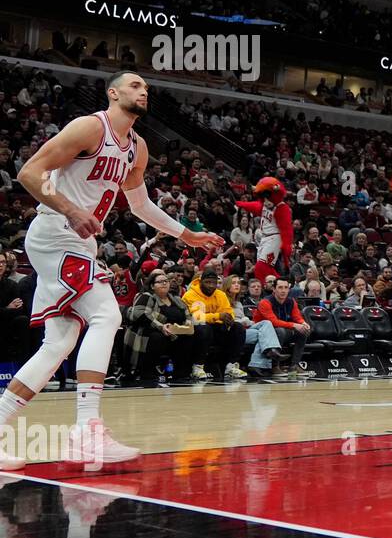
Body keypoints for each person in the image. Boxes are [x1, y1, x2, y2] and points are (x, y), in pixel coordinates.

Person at [0, 73, 224, 469]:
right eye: (135, 85)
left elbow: (140, 206)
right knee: (106, 313)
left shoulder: (137, 147)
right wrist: (71, 209)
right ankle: (86, 432)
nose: (143, 91)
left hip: (78, 242)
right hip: (55, 233)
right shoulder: (90, 126)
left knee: (58, 344)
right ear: (114, 92)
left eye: (147, 88)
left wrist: (187, 234)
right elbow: (30, 172)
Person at [123, 271, 198, 387]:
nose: (164, 283)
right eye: (160, 282)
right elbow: (138, 314)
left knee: (191, 337)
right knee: (157, 337)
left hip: (173, 334)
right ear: (152, 286)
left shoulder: (177, 299)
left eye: (166, 281)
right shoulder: (146, 296)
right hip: (148, 334)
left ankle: (182, 373)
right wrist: (161, 326)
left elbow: (188, 315)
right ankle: (147, 373)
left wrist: (187, 325)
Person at [182, 266, 248, 381]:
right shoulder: (191, 295)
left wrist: (229, 318)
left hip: (215, 328)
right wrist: (218, 316)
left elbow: (228, 312)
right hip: (195, 331)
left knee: (238, 327)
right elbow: (198, 317)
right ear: (201, 281)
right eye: (207, 282)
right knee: (204, 328)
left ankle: (231, 366)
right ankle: (198, 367)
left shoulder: (220, 294)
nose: (211, 286)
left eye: (214, 283)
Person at [253, 277, 310, 372]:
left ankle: (294, 365)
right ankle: (275, 366)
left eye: (285, 287)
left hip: (282, 329)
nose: (283, 291)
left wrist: (303, 323)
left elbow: (297, 317)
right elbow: (274, 322)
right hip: (263, 332)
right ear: (274, 289)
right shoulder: (265, 302)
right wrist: (294, 325)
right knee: (280, 331)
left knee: (303, 332)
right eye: (280, 287)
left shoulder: (291, 301)